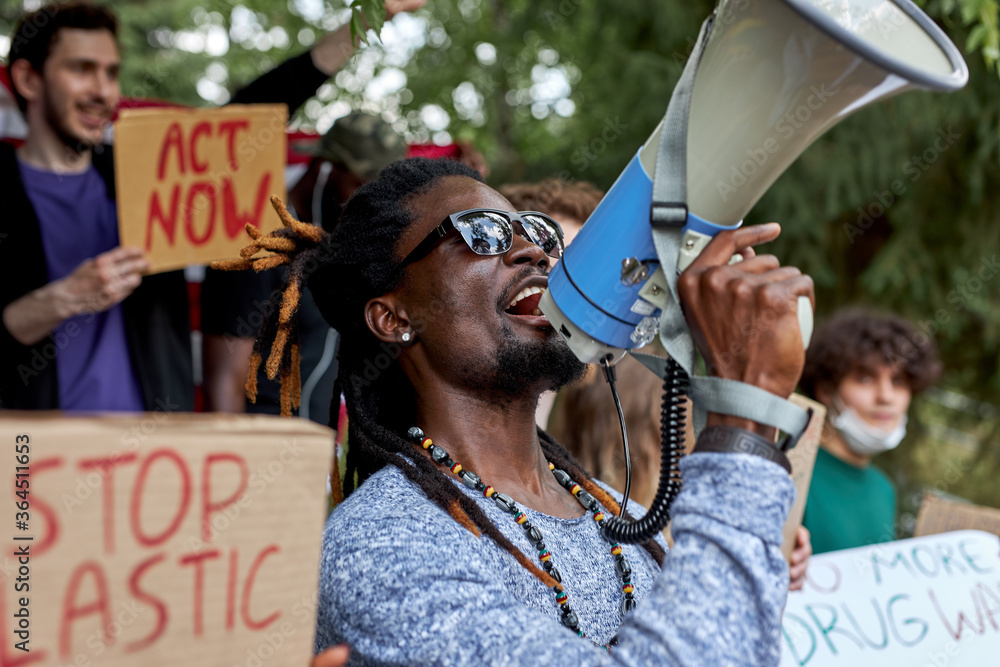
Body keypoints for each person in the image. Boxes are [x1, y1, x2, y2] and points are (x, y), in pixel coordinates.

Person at [229, 157, 814, 663]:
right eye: (481, 232)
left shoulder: (626, 516)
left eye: (532, 230)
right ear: (393, 317)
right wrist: (746, 425)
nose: (533, 248)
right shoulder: (381, 546)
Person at [0, 0, 422, 411]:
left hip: (158, 458)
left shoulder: (144, 175)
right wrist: (65, 298)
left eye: (111, 73)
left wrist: (372, 13)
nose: (103, 91)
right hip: (33, 458)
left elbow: (255, 110)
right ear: (28, 79)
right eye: (81, 69)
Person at [201, 112, 407, 421]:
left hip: (321, 456)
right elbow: (226, 378)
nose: (369, 205)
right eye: (360, 186)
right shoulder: (259, 241)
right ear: (326, 167)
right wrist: (235, 464)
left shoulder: (340, 242)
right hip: (264, 450)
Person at [800, 308, 942, 554]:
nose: (886, 396)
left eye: (898, 381)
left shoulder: (883, 489)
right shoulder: (789, 470)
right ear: (826, 389)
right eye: (865, 379)